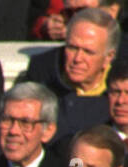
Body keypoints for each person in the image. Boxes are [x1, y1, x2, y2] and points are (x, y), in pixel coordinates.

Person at [19, 5, 118, 139]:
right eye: (72, 48)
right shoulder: (43, 74)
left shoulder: (119, 89)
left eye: (88, 52)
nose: (77, 59)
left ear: (108, 57)